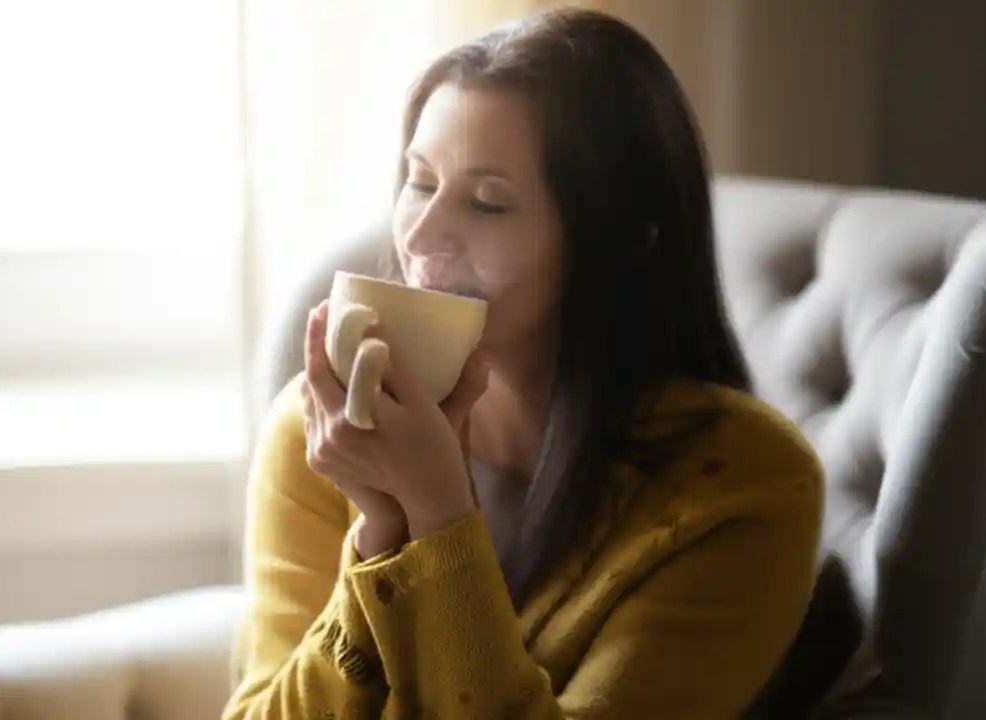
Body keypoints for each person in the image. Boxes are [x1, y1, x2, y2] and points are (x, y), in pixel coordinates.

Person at [223, 8, 822, 719]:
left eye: (487, 202)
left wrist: (439, 515)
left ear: (624, 240)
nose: (422, 233)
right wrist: (379, 528)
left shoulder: (746, 487)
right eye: (419, 182)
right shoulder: (320, 428)